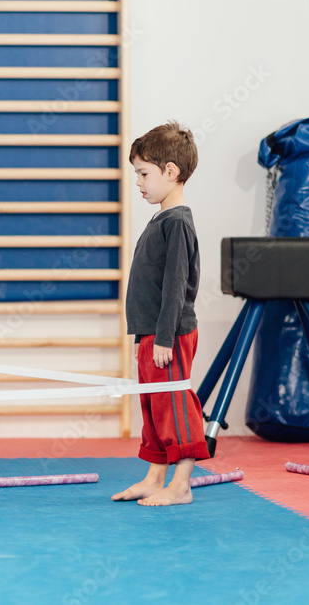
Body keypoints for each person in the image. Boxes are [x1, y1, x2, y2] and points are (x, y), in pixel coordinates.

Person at [112, 121, 210, 507]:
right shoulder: (162, 219)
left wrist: (165, 338)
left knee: (174, 406)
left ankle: (182, 484)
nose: (138, 182)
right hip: (151, 333)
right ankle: (155, 477)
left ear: (171, 172)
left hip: (168, 335)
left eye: (143, 173)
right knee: (153, 406)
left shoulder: (178, 223)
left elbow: (176, 287)